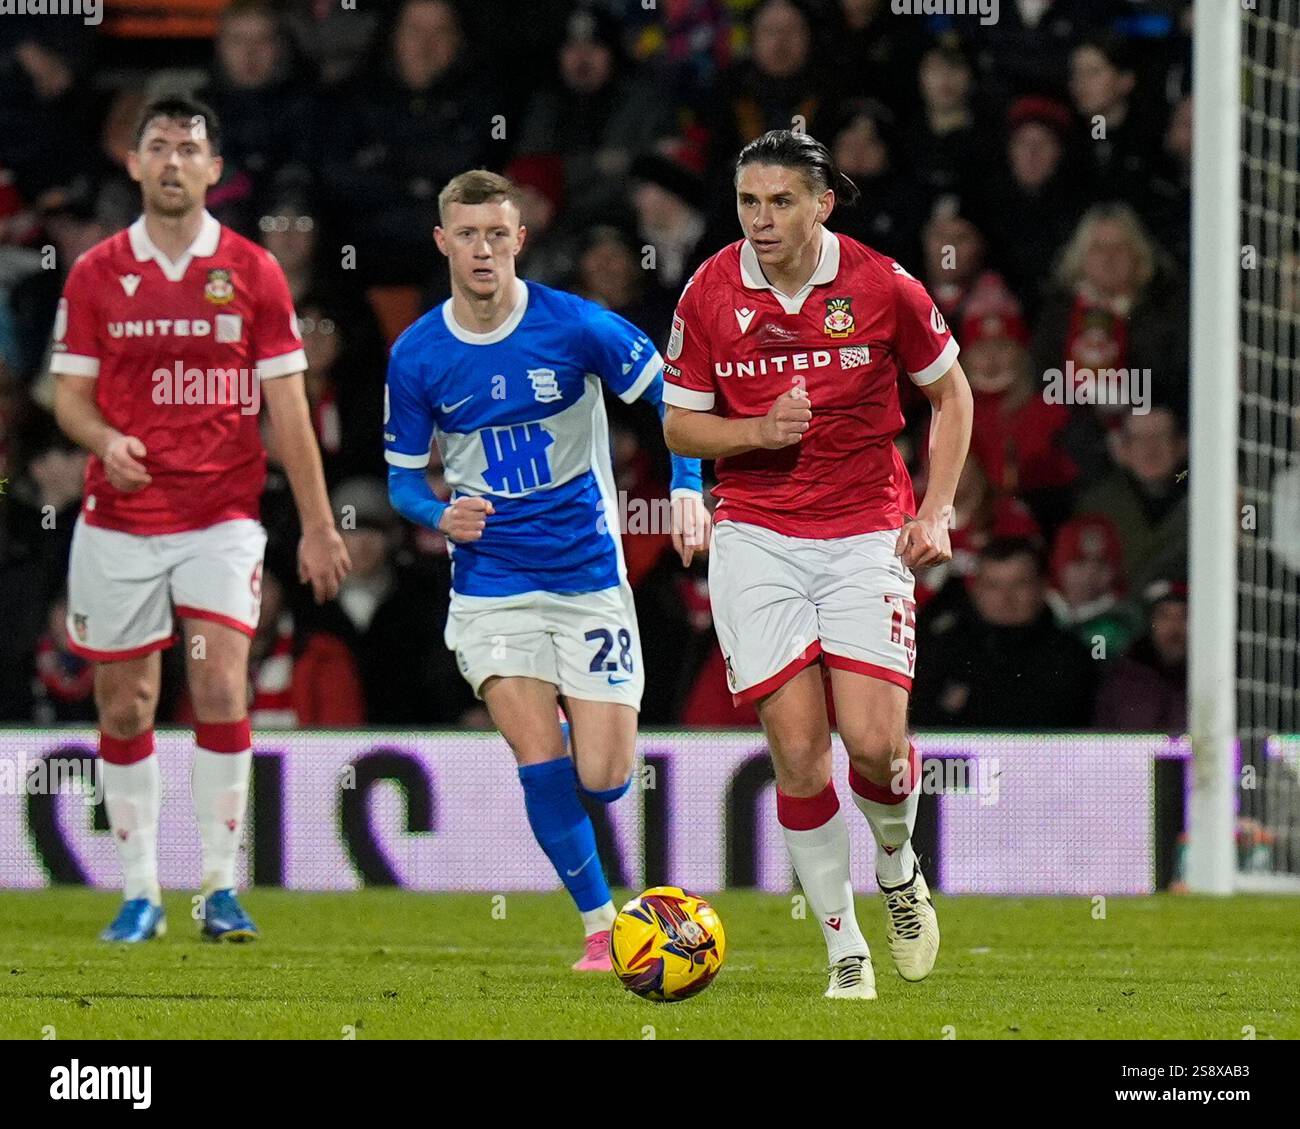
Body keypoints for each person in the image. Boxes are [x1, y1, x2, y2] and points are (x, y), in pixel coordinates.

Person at [662, 130, 973, 999]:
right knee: (799, 755)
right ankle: (844, 950)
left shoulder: (881, 284)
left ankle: (899, 868)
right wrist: (755, 432)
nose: (761, 220)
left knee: (875, 744)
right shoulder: (709, 291)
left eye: (780, 202)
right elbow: (680, 425)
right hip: (757, 533)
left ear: (822, 203)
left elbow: (952, 392)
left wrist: (936, 508)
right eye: (748, 202)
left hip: (865, 529)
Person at [383, 169, 709, 971]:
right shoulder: (417, 353)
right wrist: (437, 513)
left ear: (520, 239)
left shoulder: (577, 327)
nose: (484, 248)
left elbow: (678, 403)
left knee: (602, 775)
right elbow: (399, 477)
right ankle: (601, 926)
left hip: (589, 578)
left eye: (498, 233)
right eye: (468, 234)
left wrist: (689, 489)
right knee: (538, 758)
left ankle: (575, 745)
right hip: (492, 585)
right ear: (444, 242)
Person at [49, 95, 350, 944]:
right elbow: (68, 396)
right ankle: (140, 891)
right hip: (118, 516)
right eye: (158, 146)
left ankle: (219, 887)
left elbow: (288, 409)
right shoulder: (96, 272)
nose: (174, 160)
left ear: (215, 169)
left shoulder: (253, 272)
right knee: (125, 704)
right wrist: (104, 439)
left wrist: (321, 525)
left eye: (190, 147)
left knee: (219, 678)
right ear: (135, 164)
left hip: (222, 511)